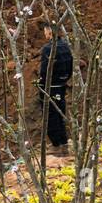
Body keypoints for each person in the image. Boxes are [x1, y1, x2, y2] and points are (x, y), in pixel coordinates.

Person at [39, 26, 74, 155]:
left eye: (45, 32)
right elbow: (71, 65)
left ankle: (56, 145)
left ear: (49, 32)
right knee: (60, 112)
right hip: (62, 85)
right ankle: (64, 142)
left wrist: (42, 84)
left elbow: (44, 71)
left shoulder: (48, 49)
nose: (45, 35)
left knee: (50, 115)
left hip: (50, 87)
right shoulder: (65, 46)